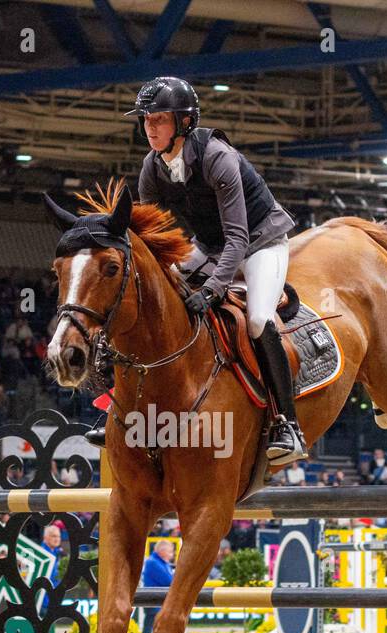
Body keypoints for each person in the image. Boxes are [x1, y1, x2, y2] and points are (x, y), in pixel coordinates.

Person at [123, 76, 305, 464]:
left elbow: (237, 237)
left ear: (184, 122)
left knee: (257, 319)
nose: (150, 128)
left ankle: (287, 424)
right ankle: (115, 406)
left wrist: (212, 289)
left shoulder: (217, 156)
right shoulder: (151, 167)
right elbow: (151, 238)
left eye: (159, 119)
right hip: (210, 247)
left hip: (260, 241)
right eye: (146, 120)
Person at [140, 540, 176, 633]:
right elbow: (169, 581)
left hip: (157, 602)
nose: (171, 555)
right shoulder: (153, 562)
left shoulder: (160, 562)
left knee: (151, 629)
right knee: (150, 631)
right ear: (162, 551)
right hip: (154, 601)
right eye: (170, 551)